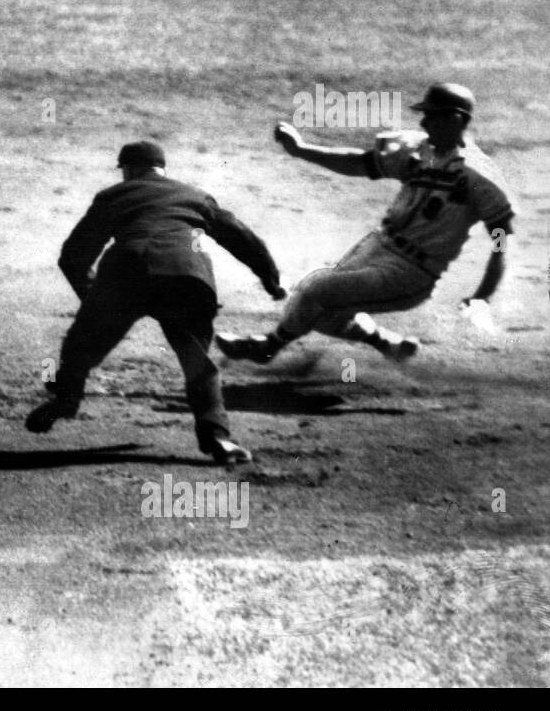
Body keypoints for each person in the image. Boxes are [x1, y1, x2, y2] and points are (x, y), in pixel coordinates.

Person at [27, 141, 286, 466]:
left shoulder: (114, 195)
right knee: (198, 362)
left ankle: (66, 399)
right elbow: (241, 237)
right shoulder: (195, 195)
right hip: (188, 274)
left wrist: (96, 302)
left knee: (80, 343)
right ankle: (218, 437)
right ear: (162, 169)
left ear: (129, 169)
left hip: (127, 269)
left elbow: (72, 257)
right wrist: (270, 278)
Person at [216, 83, 515, 364]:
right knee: (315, 306)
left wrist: (483, 296)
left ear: (457, 119)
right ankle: (388, 344)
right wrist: (302, 149)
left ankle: (267, 347)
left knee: (316, 291)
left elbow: (501, 237)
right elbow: (359, 162)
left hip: (410, 271)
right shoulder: (419, 151)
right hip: (375, 245)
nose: (423, 124)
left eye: (431, 116)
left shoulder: (481, 177)